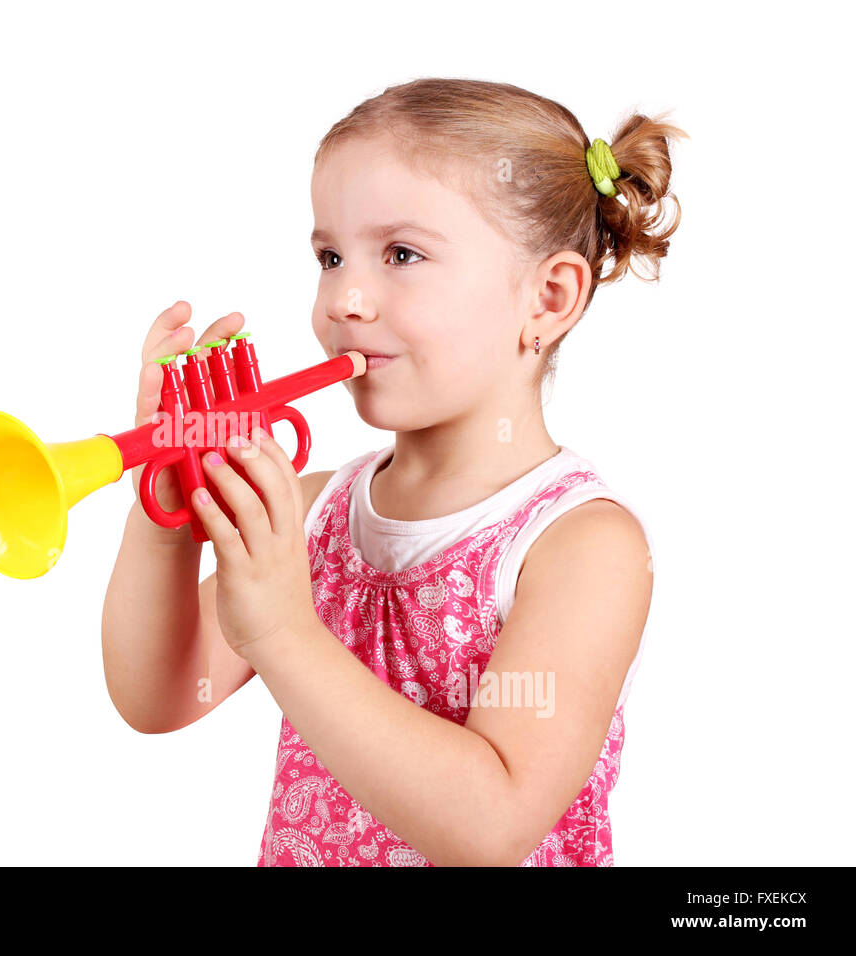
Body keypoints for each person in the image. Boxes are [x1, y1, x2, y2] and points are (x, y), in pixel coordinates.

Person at [101, 77, 684, 866]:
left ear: (547, 299)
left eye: (401, 254)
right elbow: (158, 696)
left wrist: (282, 631)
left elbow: (493, 823)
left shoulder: (584, 547)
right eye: (330, 255)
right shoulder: (310, 512)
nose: (346, 297)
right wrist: (162, 518)